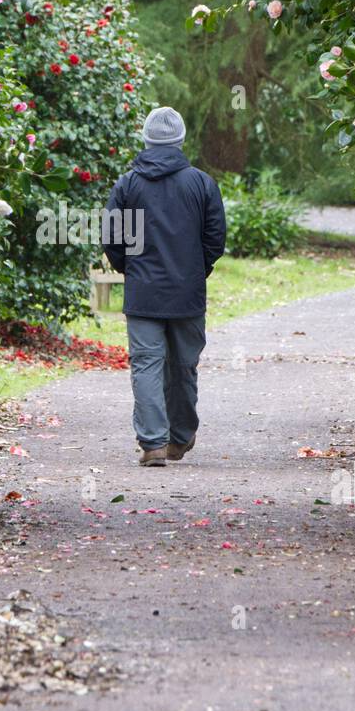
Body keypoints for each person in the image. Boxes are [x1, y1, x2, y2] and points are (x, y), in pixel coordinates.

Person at [103, 106, 227, 466]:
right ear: (180, 140)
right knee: (183, 366)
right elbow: (214, 238)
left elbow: (112, 237)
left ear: (146, 138)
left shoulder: (129, 183)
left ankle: (153, 444)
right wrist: (195, 270)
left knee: (146, 365)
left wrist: (130, 268)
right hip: (187, 292)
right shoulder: (202, 183)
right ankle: (180, 438)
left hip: (143, 293)